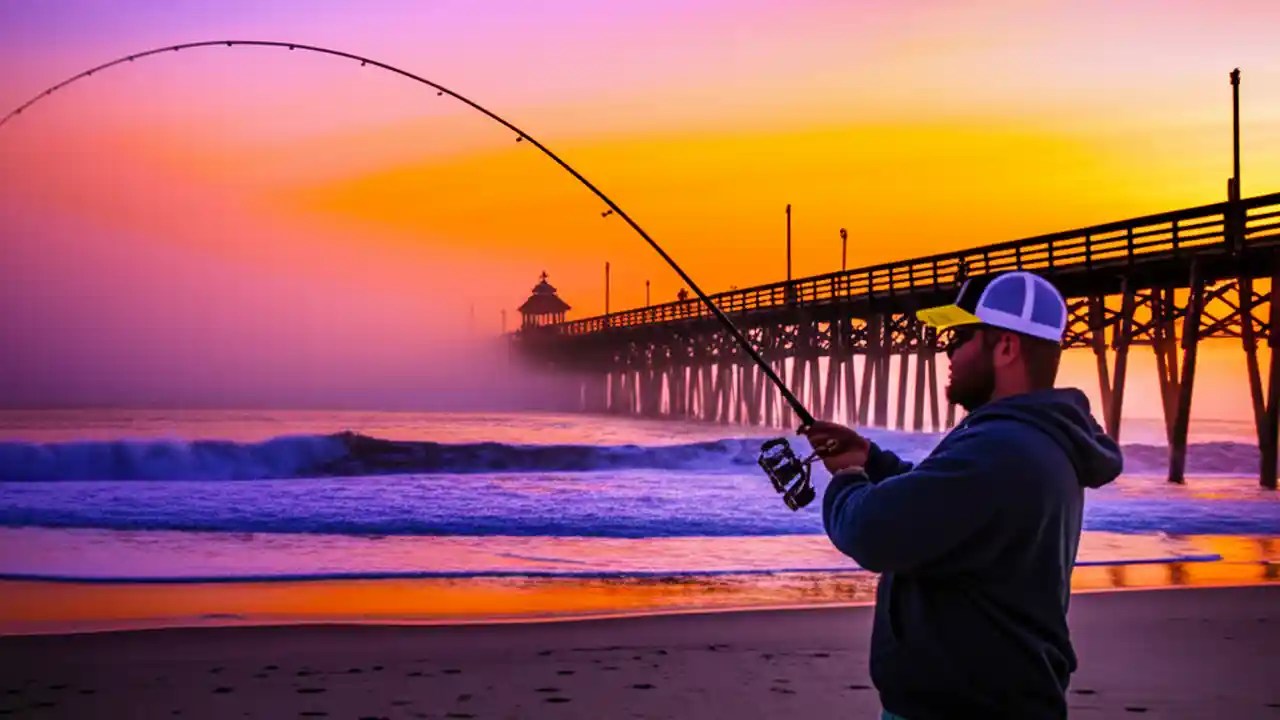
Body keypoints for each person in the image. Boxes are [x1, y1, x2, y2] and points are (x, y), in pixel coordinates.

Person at [800, 270, 1123, 720]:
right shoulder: (1029, 440)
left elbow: (871, 530)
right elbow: (951, 505)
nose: (946, 349)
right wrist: (872, 460)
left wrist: (849, 477)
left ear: (1006, 347)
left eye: (961, 336)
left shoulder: (1000, 450)